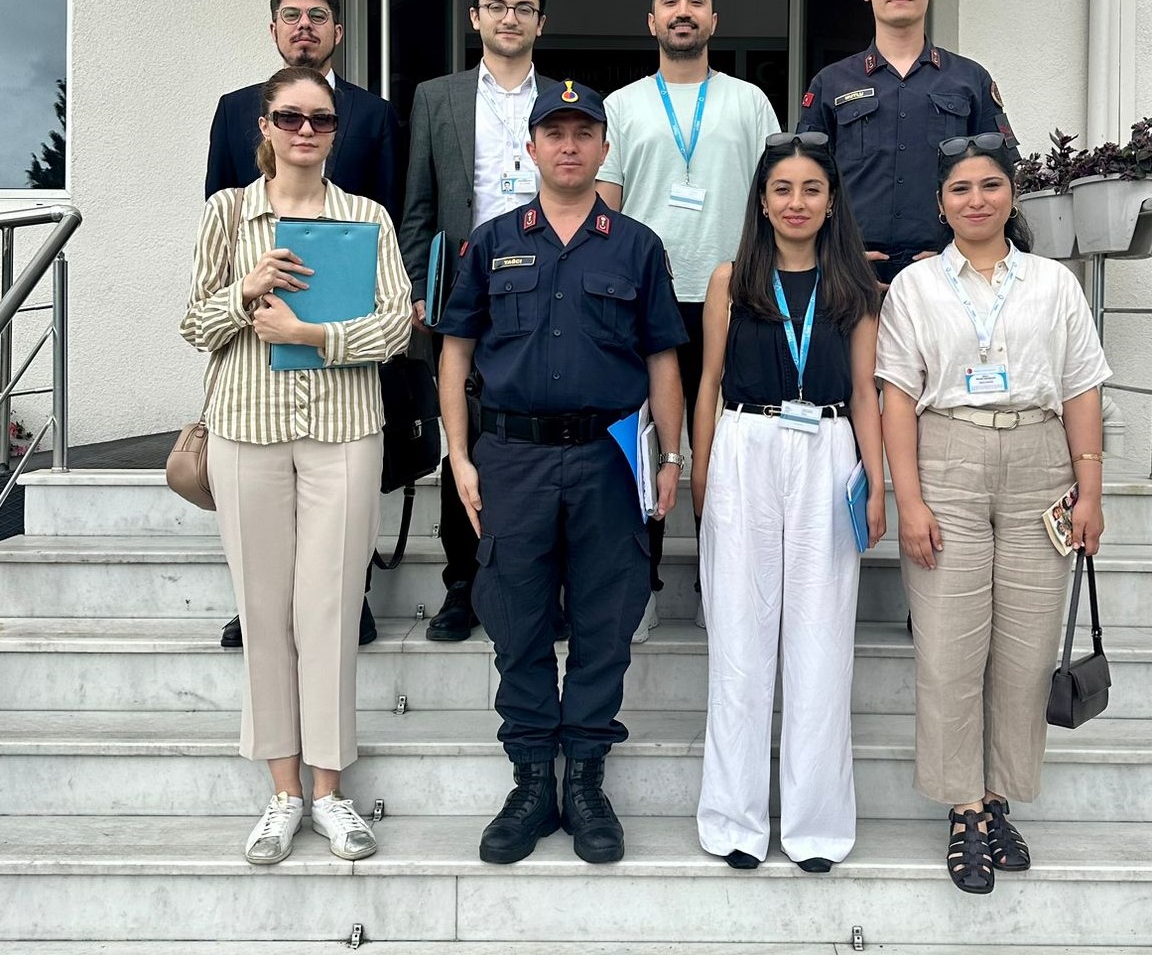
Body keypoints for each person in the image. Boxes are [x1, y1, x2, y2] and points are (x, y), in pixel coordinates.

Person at [437, 81, 686, 866]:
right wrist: (459, 455)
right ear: (531, 147)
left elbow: (661, 359)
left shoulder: (637, 245)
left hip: (609, 455)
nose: (569, 145)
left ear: (604, 148)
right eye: (555, 132)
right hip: (511, 457)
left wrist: (671, 458)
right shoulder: (490, 239)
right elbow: (455, 352)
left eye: (584, 132)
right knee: (514, 617)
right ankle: (528, 783)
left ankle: (583, 778)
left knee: (606, 621)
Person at [180, 66, 413, 865]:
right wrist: (246, 291)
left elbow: (393, 331)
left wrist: (314, 336)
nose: (305, 131)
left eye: (320, 119)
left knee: (330, 614)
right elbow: (192, 326)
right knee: (267, 614)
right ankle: (283, 793)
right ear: (266, 126)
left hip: (345, 430)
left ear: (335, 130)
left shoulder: (367, 218)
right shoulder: (228, 213)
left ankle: (330, 792)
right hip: (247, 427)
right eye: (290, 117)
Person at [875, 132, 1109, 895]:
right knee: (948, 648)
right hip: (949, 458)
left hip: (1039, 461)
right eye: (958, 189)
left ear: (1010, 195)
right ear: (939, 204)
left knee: (1023, 648)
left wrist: (1091, 491)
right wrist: (907, 498)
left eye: (988, 186)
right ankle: (963, 808)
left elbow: (1080, 389)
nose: (975, 200)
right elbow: (897, 398)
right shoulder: (914, 288)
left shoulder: (1052, 283)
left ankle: (1002, 795)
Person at [692, 132, 886, 874]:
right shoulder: (730, 280)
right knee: (739, 641)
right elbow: (708, 381)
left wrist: (874, 482)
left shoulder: (855, 290)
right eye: (782, 189)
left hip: (828, 452)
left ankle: (815, 827)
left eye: (810, 189)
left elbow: (867, 393)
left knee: (820, 643)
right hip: (746, 445)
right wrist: (702, 473)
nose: (796, 202)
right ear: (762, 202)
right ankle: (733, 820)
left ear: (831, 201)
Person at [206, 0, 399, 650]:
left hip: (342, 305)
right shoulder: (233, 109)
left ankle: (355, 596)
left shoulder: (371, 114)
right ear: (274, 30)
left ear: (338, 33)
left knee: (344, 465)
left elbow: (385, 209)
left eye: (318, 16)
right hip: (257, 328)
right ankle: (254, 606)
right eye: (291, 16)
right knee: (255, 479)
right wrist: (243, 292)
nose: (305, 27)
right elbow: (218, 210)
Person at [597, 0, 781, 639]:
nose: (682, 10)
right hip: (642, 301)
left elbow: (775, 199)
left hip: (732, 297)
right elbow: (605, 210)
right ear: (651, 19)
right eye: (670, 0)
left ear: (713, 16)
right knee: (643, 448)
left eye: (694, 0)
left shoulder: (748, 102)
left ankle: (720, 588)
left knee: (725, 449)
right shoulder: (620, 106)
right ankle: (639, 587)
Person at [400, 0, 562, 643]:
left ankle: (542, 583)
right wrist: (415, 285)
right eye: (496, 6)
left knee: (543, 439)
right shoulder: (436, 98)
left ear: (539, 21)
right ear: (475, 18)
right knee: (459, 439)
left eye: (522, 8)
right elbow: (418, 204)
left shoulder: (567, 95)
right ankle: (461, 585)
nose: (508, 18)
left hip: (550, 292)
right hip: (467, 288)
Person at [797, 0, 1018, 286]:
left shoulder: (969, 79)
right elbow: (805, 179)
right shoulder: (831, 83)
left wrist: (962, 249)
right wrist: (829, 251)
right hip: (849, 274)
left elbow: (1000, 176)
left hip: (949, 273)